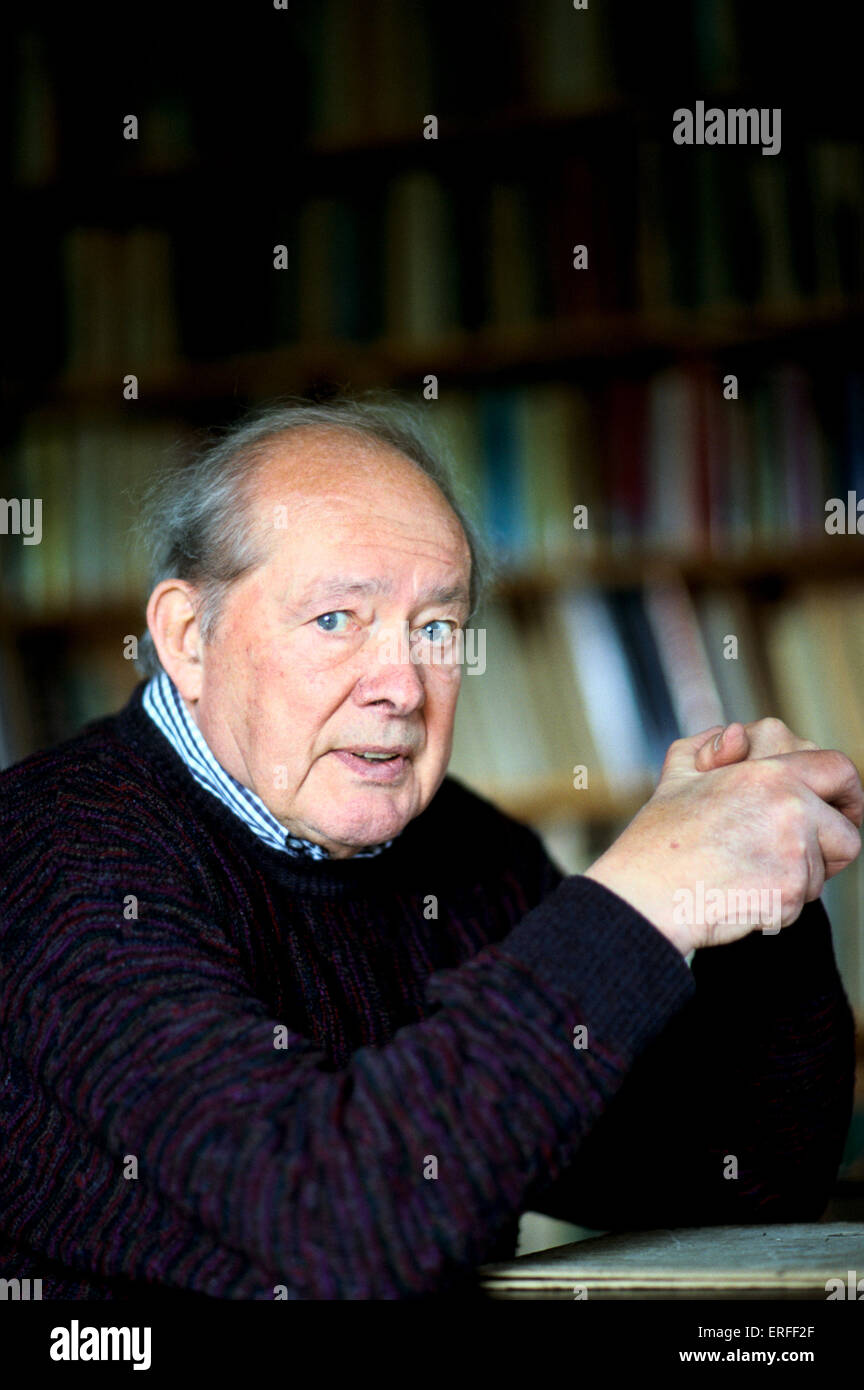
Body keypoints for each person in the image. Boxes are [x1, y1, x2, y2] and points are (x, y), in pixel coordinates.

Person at [0, 397, 859, 1300]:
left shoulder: (468, 853)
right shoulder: (55, 857)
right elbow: (337, 1229)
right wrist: (643, 899)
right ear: (187, 638)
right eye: (337, 618)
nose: (402, 686)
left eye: (437, 629)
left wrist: (755, 880)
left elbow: (733, 1184)